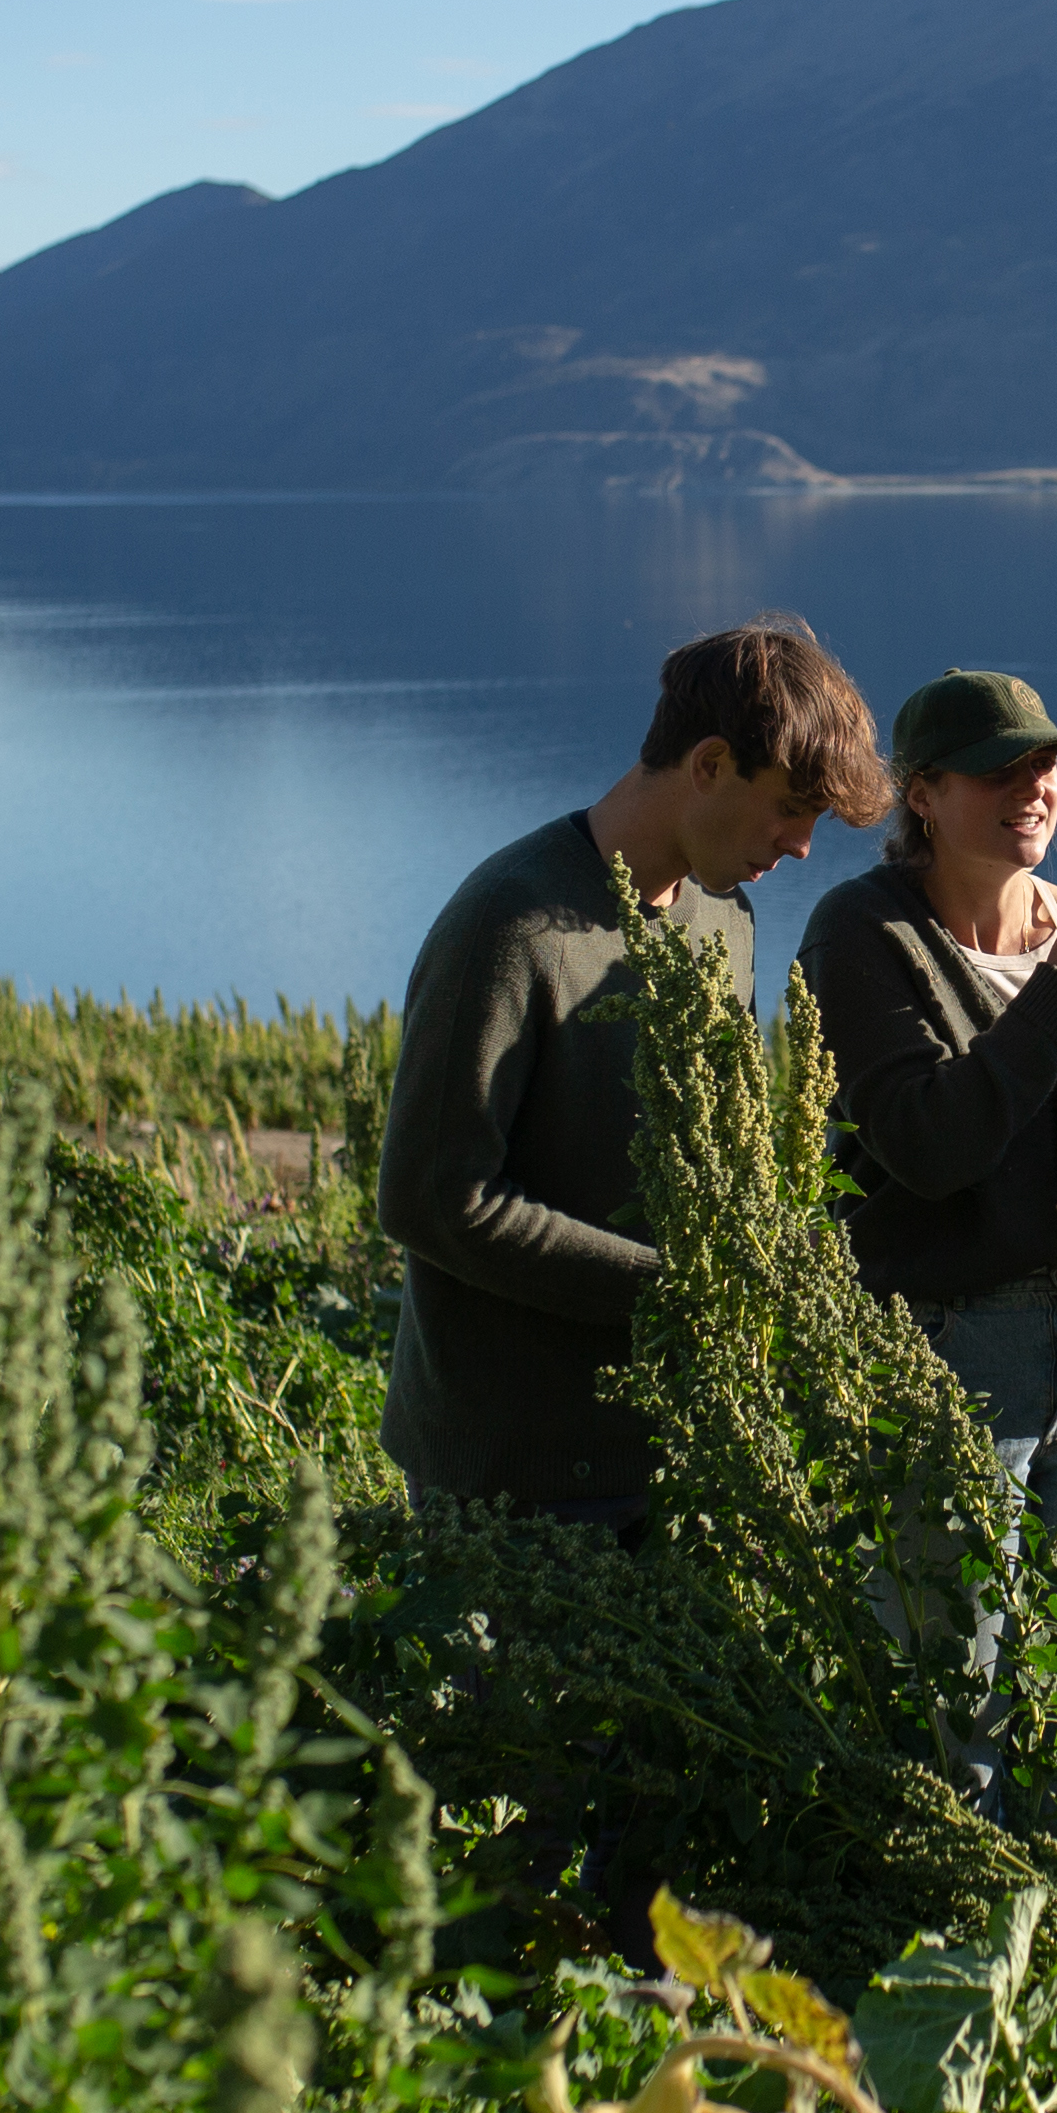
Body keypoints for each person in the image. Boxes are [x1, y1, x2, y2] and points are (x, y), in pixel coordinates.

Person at [795, 667, 1057, 1852]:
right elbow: (928, 1148)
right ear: (922, 795)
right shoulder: (866, 934)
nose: (1035, 788)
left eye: (1047, 766)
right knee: (947, 1695)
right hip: (946, 1348)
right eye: (999, 770)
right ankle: (937, 1902)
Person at [374, 614, 890, 1524]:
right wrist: (678, 1292)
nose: (802, 845)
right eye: (790, 808)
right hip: (513, 1475)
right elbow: (431, 1199)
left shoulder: (722, 918)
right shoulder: (510, 924)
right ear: (710, 764)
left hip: (675, 1452)